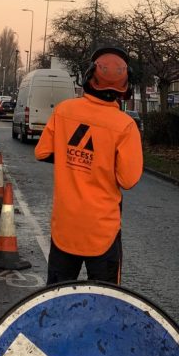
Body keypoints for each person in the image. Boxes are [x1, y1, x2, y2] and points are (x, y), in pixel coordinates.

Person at [34, 44, 143, 284]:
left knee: (57, 296)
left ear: (88, 76)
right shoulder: (125, 126)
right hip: (103, 231)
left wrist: (71, 157)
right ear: (126, 87)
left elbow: (42, 152)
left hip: (65, 226)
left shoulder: (63, 111)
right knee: (106, 299)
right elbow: (128, 179)